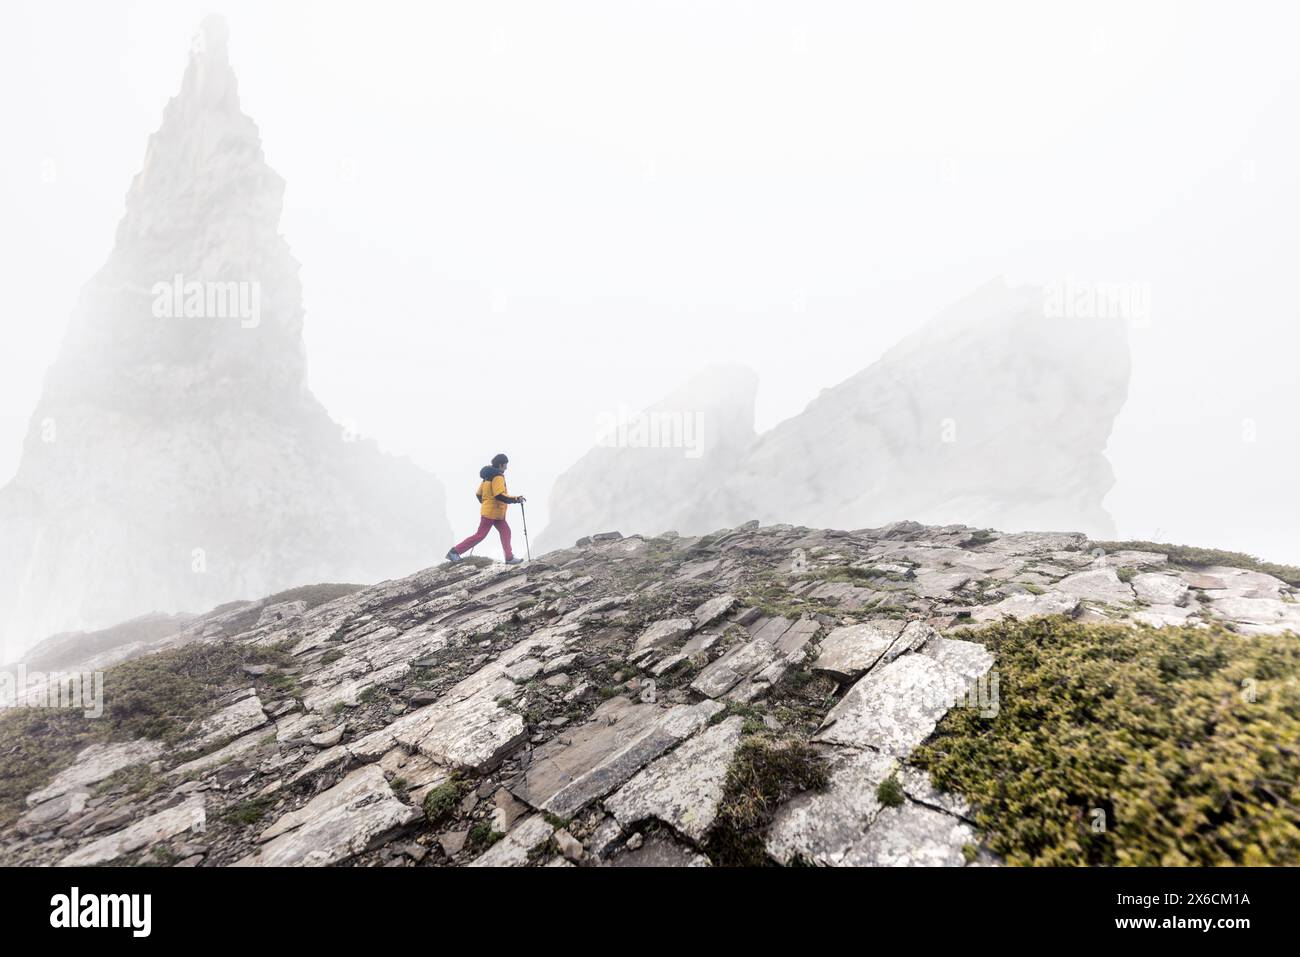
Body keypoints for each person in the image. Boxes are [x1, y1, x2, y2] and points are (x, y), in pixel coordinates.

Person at [446, 453, 526, 564]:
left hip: (495, 513)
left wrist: (486, 503)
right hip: (491, 513)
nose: (506, 467)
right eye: (505, 465)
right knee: (480, 535)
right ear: (501, 465)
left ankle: (509, 557)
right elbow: (499, 495)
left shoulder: (487, 477)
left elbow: (479, 494)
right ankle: (454, 552)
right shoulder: (498, 476)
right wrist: (516, 499)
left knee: (506, 531)